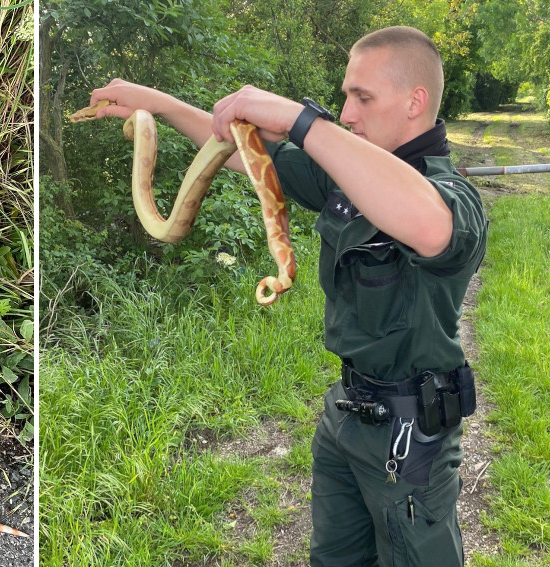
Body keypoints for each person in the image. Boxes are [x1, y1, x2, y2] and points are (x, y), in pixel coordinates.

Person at [87, 26, 487, 566]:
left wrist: (301, 120)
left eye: (362, 98)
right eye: (344, 96)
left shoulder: (451, 195)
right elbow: (243, 153)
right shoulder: (344, 176)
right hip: (345, 419)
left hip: (411, 440)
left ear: (416, 102)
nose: (347, 113)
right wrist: (153, 103)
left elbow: (431, 227)